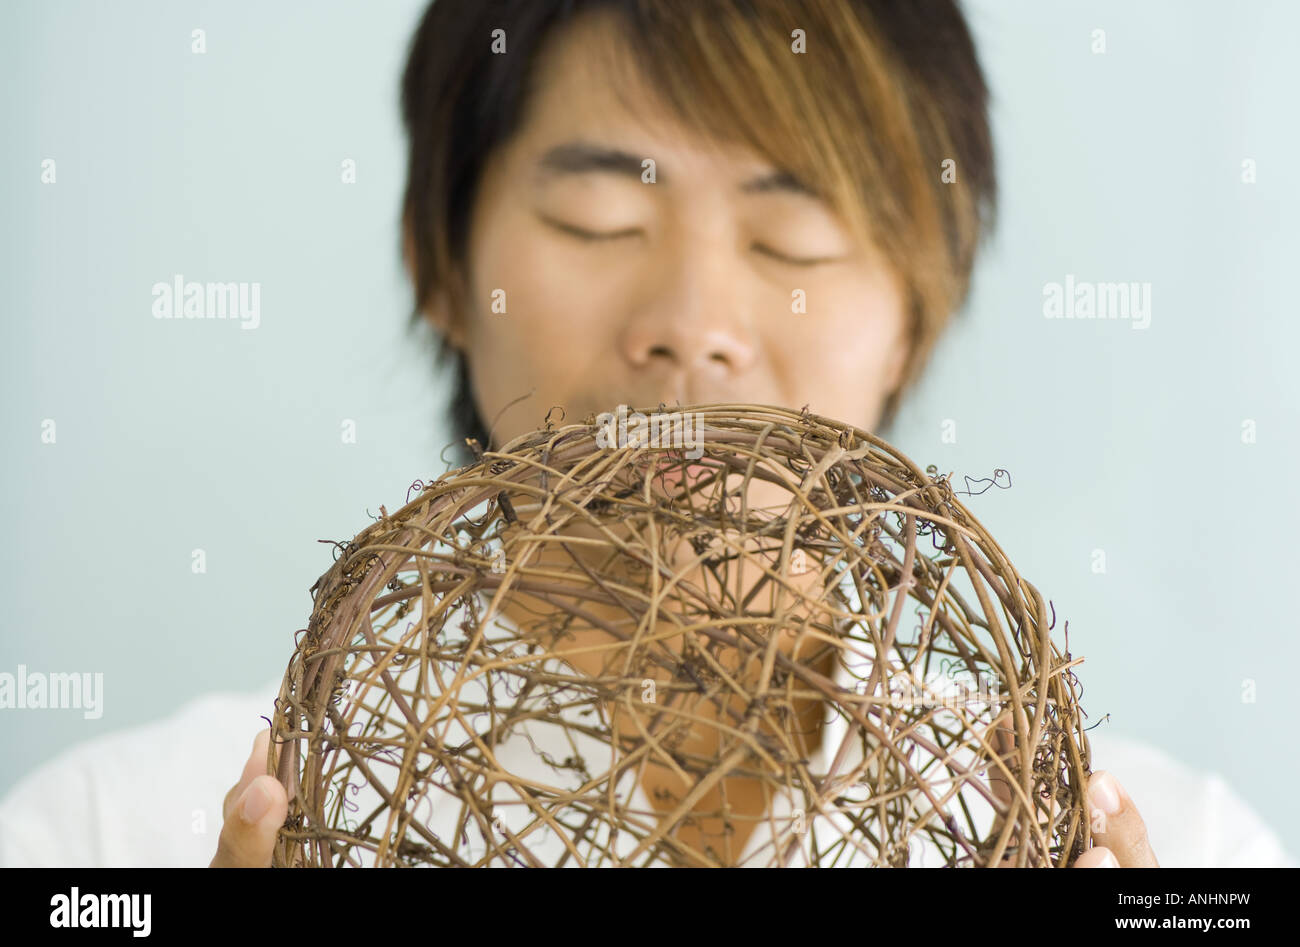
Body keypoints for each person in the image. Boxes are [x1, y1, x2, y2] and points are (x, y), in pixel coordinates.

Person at [1, 0, 1293, 868]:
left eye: (790, 240)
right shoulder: (112, 837)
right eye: (597, 224)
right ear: (439, 262)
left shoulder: (1181, 850)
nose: (692, 326)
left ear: (917, 314)